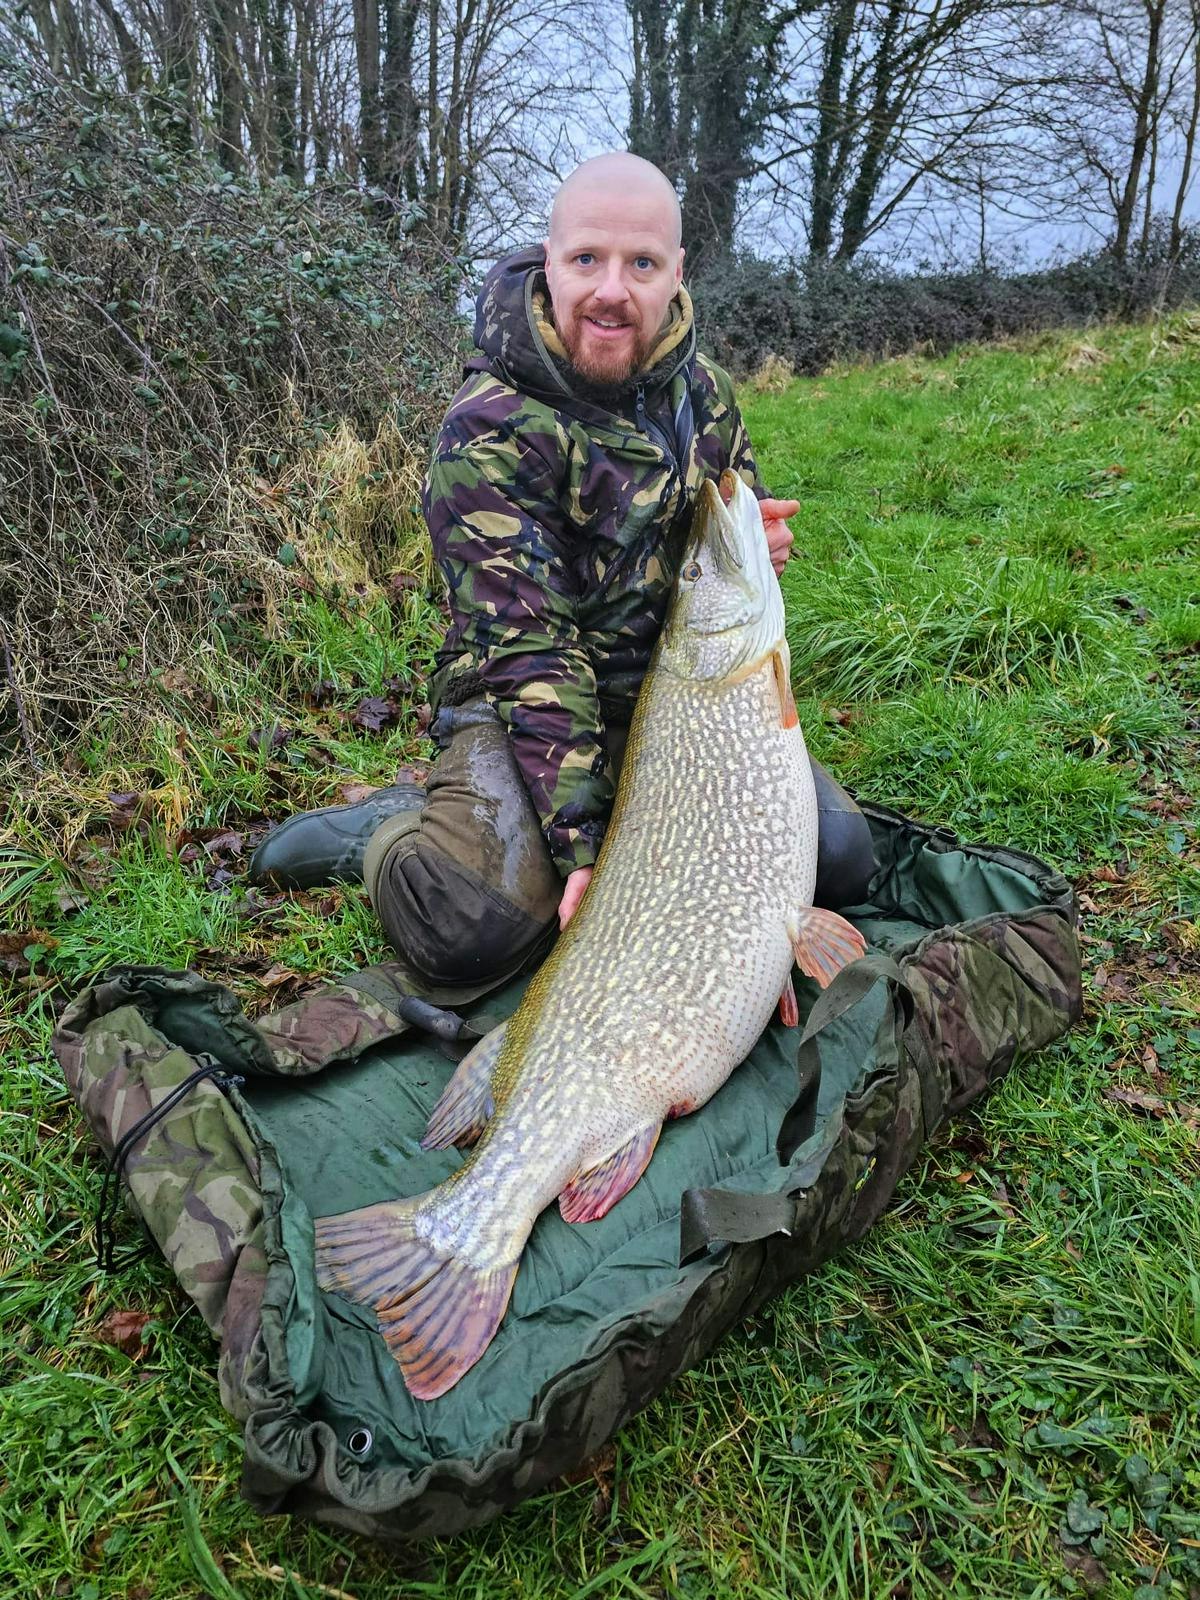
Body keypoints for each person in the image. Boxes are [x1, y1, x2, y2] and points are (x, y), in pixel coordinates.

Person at [251, 153, 875, 1001]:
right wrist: (580, 846)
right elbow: (530, 646)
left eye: (641, 264)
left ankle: (600, 808)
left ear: (676, 275)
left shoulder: (710, 397)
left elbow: (724, 550)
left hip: (672, 699)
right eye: (587, 260)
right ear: (548, 261)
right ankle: (384, 833)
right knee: (468, 927)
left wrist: (758, 552)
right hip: (520, 702)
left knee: (841, 859)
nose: (612, 290)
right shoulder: (487, 429)